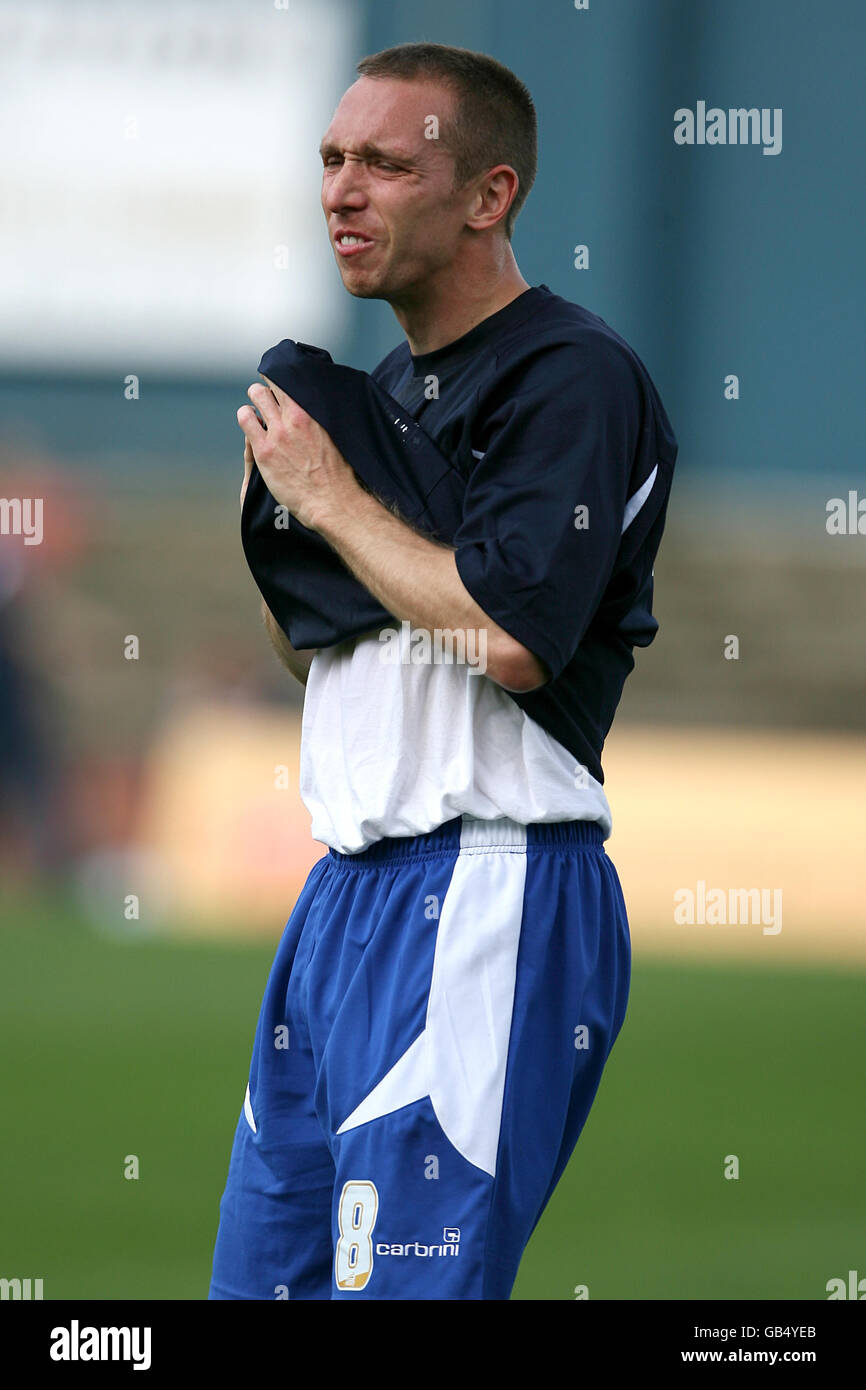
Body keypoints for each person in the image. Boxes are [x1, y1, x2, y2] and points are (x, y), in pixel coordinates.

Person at [209, 41, 677, 1301]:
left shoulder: (566, 373)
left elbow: (511, 641)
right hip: (341, 901)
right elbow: (331, 659)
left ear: (487, 195)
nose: (341, 191)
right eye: (330, 160)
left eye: (383, 163)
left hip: (484, 884)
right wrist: (276, 532)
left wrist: (333, 500)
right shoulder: (377, 395)